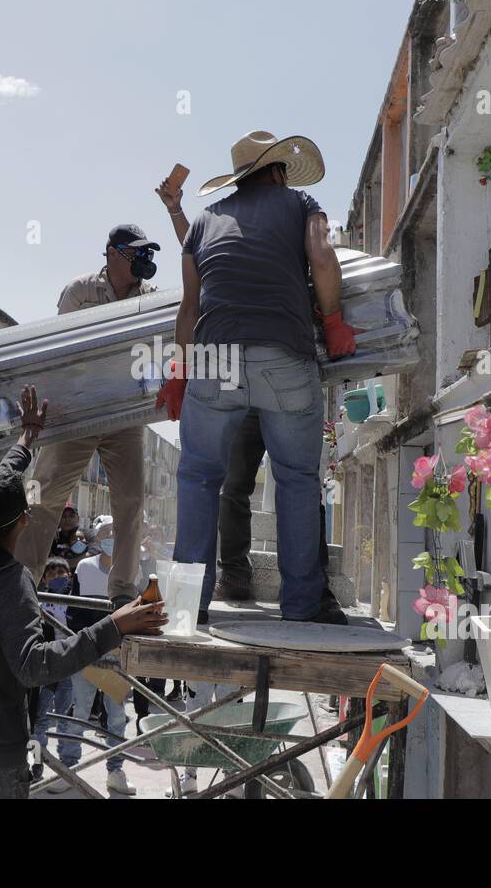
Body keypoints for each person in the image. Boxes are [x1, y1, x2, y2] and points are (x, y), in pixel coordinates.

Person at [157, 131, 357, 625]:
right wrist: (332, 321)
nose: (287, 177)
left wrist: (180, 372)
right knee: (296, 480)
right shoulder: (301, 204)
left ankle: (187, 606)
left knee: (200, 476)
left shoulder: (202, 221)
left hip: (214, 358)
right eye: (284, 169)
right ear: (274, 172)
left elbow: (190, 307)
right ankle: (303, 605)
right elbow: (323, 257)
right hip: (283, 354)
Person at [0, 385, 166, 799]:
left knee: (129, 498)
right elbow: (36, 667)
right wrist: (114, 625)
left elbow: (6, 478)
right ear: (25, 521)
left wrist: (26, 437)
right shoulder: (11, 582)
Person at [15, 225, 161, 607]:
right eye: (137, 253)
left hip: (125, 412)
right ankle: (20, 582)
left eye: (148, 254)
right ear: (113, 253)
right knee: (45, 497)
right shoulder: (80, 291)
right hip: (77, 411)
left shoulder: (152, 297)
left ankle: (122, 591)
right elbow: (58, 348)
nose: (146, 261)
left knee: (130, 501)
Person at [67, 515, 137, 794]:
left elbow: (137, 613)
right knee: (79, 712)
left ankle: (115, 771)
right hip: (85, 654)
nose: (111, 537)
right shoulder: (84, 567)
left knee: (117, 717)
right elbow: (73, 613)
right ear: (97, 537)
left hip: (116, 657)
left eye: (116, 532)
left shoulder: (132, 571)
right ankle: (67, 768)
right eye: (106, 532)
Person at [30, 557, 81, 781]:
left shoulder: (74, 602)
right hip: (47, 664)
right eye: (52, 573)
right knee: (39, 718)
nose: (58, 576)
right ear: (44, 578)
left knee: (66, 717)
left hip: (69, 665)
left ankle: (67, 765)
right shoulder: (38, 601)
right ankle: (34, 764)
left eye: (62, 572)